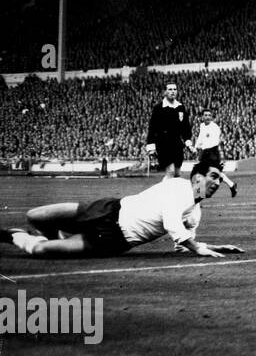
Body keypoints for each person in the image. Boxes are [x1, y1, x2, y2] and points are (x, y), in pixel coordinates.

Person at [2, 163, 243, 259]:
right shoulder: (177, 188)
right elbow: (172, 223)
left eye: (220, 179)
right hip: (109, 208)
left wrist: (209, 246)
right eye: (214, 177)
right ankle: (59, 240)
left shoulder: (195, 213)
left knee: (40, 250)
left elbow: (182, 243)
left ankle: (13, 235)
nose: (217, 183)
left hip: (114, 238)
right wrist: (199, 248)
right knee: (35, 216)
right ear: (198, 177)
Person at [146, 81, 192, 179]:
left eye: (175, 89)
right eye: (170, 89)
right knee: (170, 171)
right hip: (163, 143)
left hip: (177, 144)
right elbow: (152, 127)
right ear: (165, 92)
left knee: (177, 174)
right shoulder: (159, 108)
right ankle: (165, 193)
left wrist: (188, 141)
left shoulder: (180, 107)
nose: (173, 91)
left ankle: (173, 193)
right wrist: (151, 146)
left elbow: (185, 127)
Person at [193, 107, 238, 196]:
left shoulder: (215, 127)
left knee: (201, 173)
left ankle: (198, 196)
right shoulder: (202, 126)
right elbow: (200, 138)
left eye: (209, 115)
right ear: (202, 117)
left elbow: (214, 142)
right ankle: (232, 185)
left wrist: (202, 149)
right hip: (205, 153)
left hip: (212, 153)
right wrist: (196, 147)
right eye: (205, 115)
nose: (208, 117)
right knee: (214, 173)